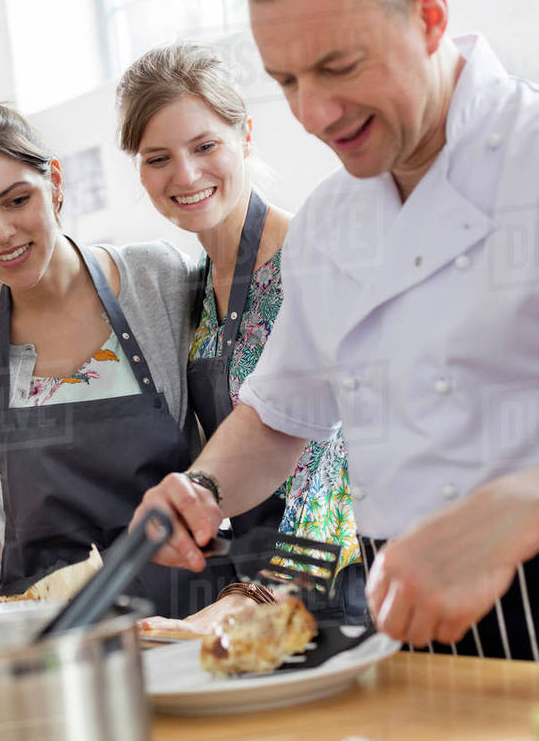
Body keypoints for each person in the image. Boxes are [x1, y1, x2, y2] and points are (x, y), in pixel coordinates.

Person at [129, 0, 539, 664]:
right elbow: (276, 420)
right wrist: (201, 487)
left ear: (429, 18)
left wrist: (506, 517)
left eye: (340, 67)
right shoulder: (331, 222)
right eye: (288, 80)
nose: (316, 112)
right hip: (407, 641)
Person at [0, 94, 236, 616]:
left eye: (17, 200)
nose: (1, 232)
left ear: (56, 183)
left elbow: (234, 436)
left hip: (184, 612)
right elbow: (1, 500)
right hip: (49, 629)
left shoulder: (160, 279)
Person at [116, 42, 366, 632]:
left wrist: (249, 601)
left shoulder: (310, 258)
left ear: (245, 136)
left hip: (328, 591)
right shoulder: (196, 286)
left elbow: (334, 469)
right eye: (158, 158)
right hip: (242, 588)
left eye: (205, 146)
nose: (186, 175)